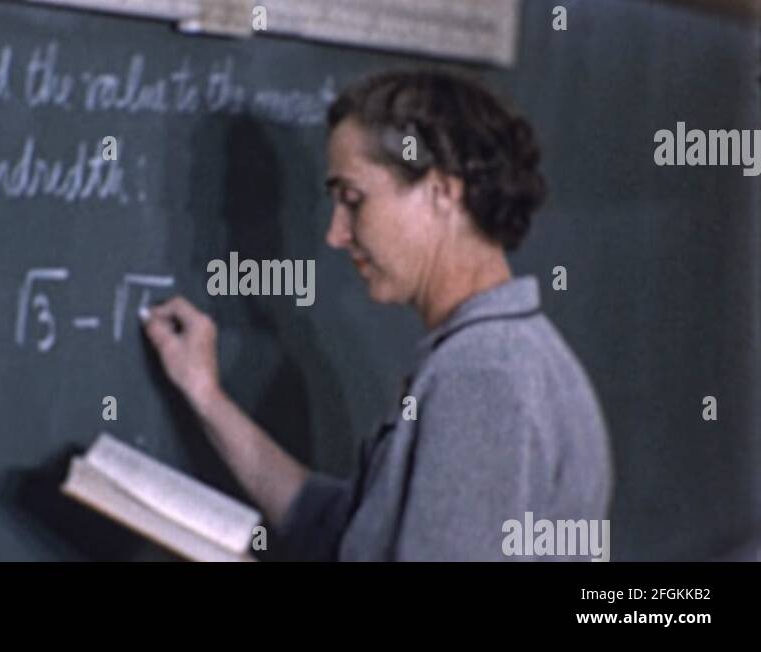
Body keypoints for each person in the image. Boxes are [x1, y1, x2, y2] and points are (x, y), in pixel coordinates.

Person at [141, 69, 613, 561]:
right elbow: (338, 526)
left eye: (353, 201)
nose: (337, 235)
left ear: (441, 193)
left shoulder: (482, 374)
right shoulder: (508, 353)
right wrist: (205, 395)